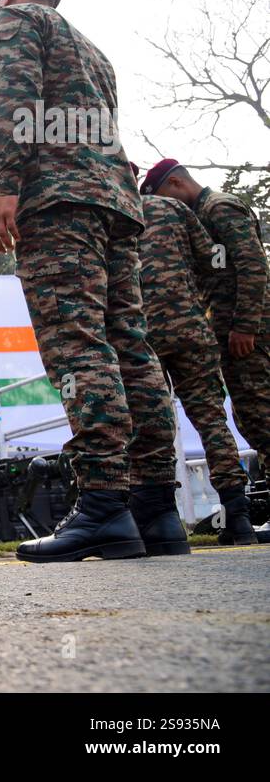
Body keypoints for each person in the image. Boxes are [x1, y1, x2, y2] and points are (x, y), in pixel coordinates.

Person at [0, 0, 183, 562]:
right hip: (118, 206)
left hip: (59, 201)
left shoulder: (14, 18)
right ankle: (155, 508)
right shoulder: (96, 53)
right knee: (129, 344)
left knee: (78, 344)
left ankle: (102, 503)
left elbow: (17, 101)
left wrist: (6, 186)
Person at [143, 160, 265, 543]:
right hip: (203, 330)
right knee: (220, 419)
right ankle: (239, 514)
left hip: (240, 329)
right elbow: (207, 262)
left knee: (256, 413)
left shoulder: (219, 208)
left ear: (176, 183)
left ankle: (157, 516)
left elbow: (251, 264)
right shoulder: (184, 212)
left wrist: (245, 324)